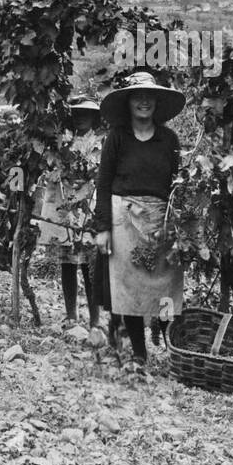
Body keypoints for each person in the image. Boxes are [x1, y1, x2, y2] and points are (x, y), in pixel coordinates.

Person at [93, 72, 185, 373]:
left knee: (165, 285)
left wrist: (174, 224)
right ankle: (139, 352)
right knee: (128, 288)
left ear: (156, 102)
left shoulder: (169, 139)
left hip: (160, 221)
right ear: (129, 102)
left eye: (149, 96)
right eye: (137, 96)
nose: (144, 101)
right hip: (124, 219)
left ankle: (171, 348)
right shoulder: (117, 138)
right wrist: (103, 228)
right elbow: (104, 183)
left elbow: (178, 184)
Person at [35, 96, 103, 329]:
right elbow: (50, 167)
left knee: (89, 263)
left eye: (87, 113)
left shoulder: (100, 142)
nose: (82, 117)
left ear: (94, 116)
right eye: (77, 113)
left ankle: (95, 319)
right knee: (68, 261)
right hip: (65, 204)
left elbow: (101, 172)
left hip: (89, 205)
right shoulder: (62, 141)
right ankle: (71, 314)